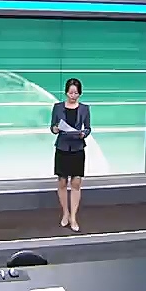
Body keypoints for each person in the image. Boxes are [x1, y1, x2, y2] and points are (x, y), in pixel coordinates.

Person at [50, 77, 91, 232]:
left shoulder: (85, 109)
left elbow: (88, 128)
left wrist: (84, 133)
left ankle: (73, 217)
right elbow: (52, 126)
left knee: (76, 183)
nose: (73, 95)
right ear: (66, 92)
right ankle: (65, 213)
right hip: (62, 148)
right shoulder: (57, 107)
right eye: (71, 92)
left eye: (76, 93)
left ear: (80, 93)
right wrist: (55, 129)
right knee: (62, 182)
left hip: (77, 148)